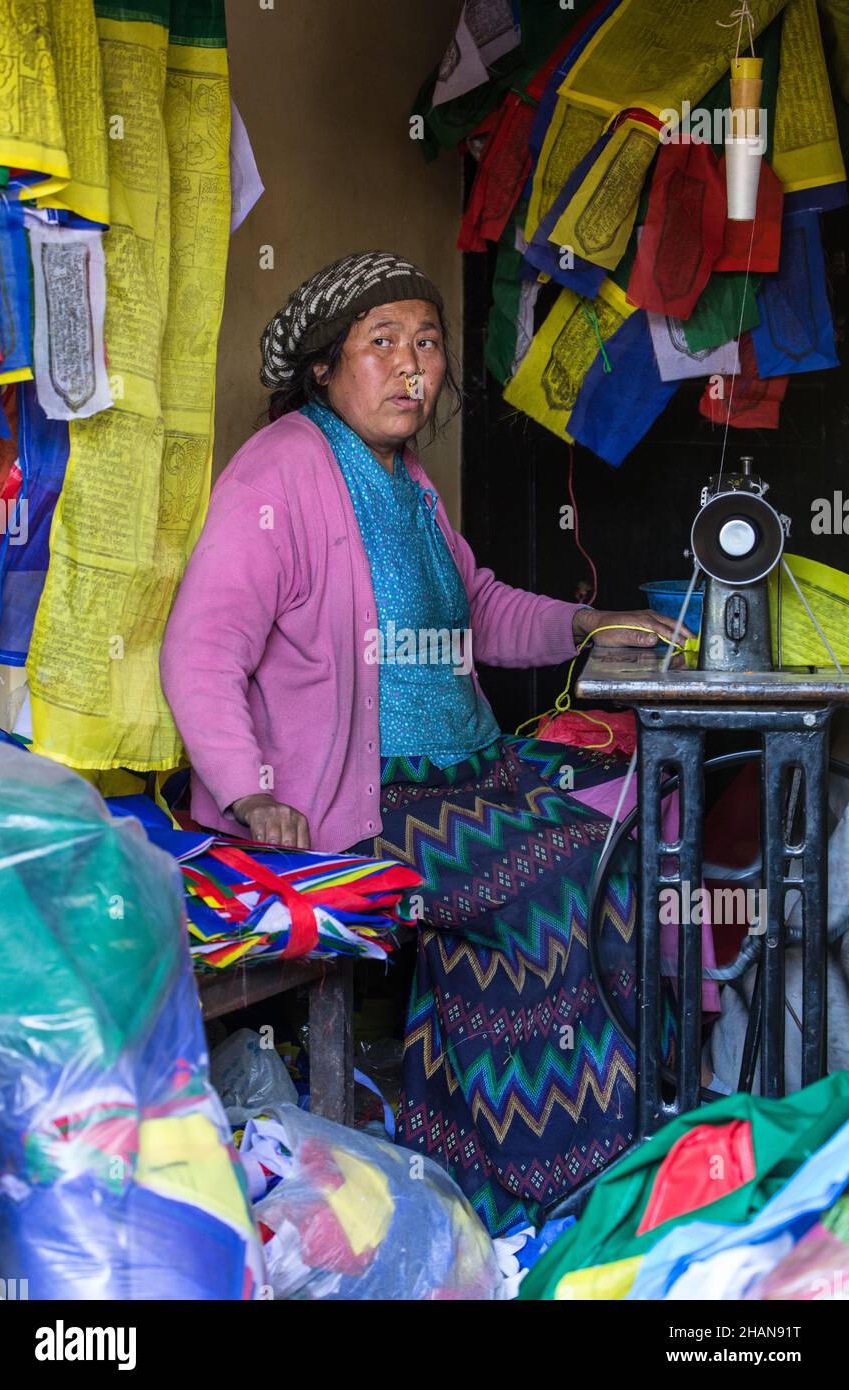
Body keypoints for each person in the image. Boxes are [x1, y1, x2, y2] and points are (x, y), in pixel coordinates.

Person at [161, 250, 689, 1233]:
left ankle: (493, 1178)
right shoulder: (282, 472)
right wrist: (245, 788)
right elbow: (200, 646)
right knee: (552, 883)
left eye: (428, 343)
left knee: (619, 851)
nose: (411, 366)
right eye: (381, 342)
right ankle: (567, 1183)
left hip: (463, 776)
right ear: (323, 367)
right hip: (359, 802)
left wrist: (584, 624)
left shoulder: (406, 486)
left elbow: (477, 610)